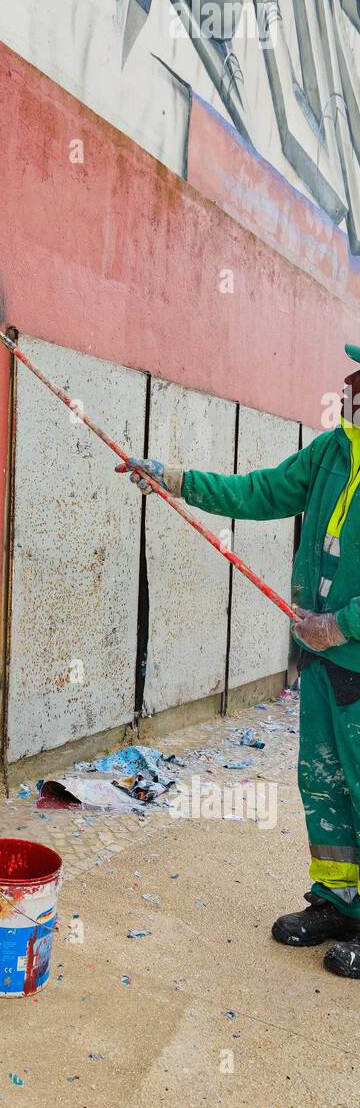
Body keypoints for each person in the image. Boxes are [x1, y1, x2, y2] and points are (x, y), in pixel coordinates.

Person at [118, 346, 360, 977]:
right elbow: (263, 490)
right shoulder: (333, 452)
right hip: (321, 661)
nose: (348, 383)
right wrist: (174, 478)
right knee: (324, 780)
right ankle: (338, 901)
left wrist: (343, 624)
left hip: (353, 653)